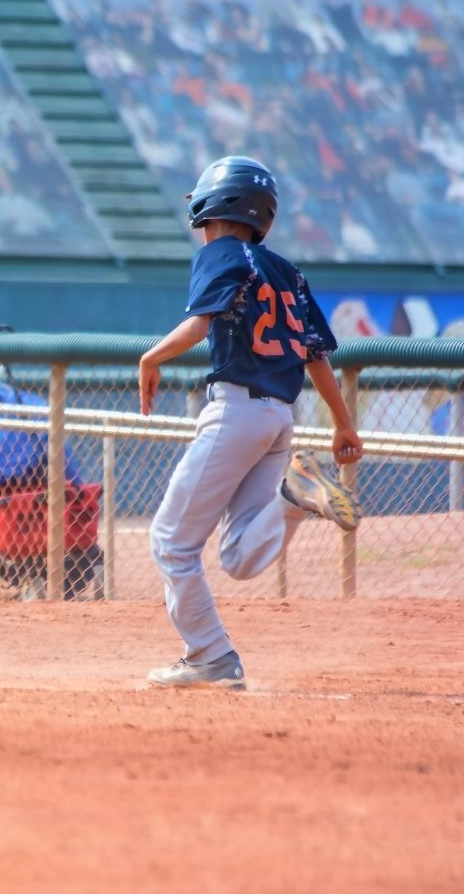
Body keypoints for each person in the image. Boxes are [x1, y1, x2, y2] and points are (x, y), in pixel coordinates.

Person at [137, 156, 363, 690]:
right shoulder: (287, 270)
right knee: (238, 556)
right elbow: (316, 356)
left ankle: (209, 656)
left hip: (236, 411)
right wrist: (343, 424)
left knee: (171, 540)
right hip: (278, 418)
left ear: (213, 204)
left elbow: (201, 323)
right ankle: (294, 497)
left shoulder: (220, 252)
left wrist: (151, 358)